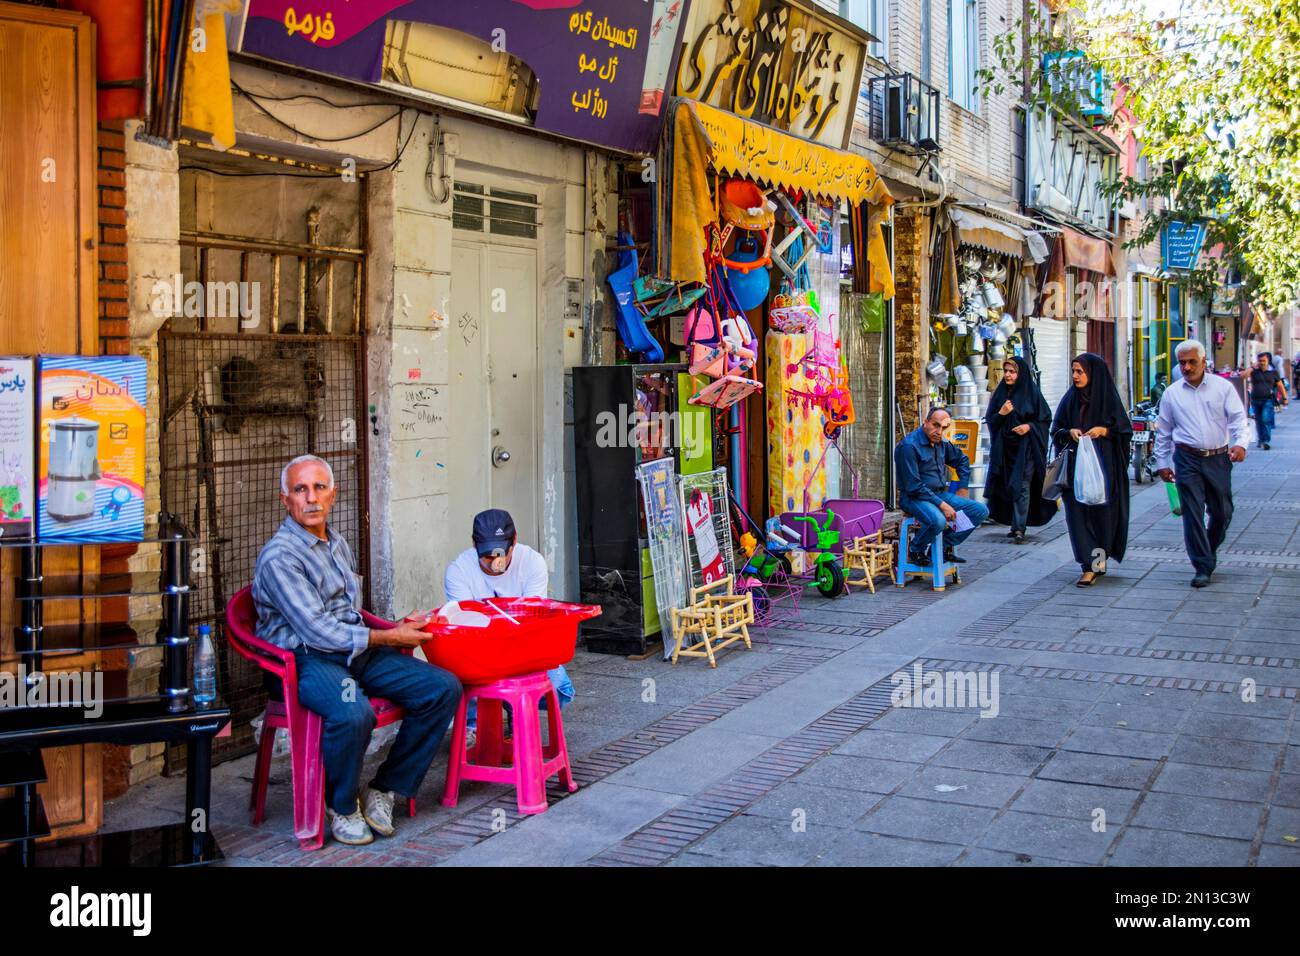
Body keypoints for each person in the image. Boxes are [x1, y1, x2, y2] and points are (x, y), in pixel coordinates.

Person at [253, 455, 462, 846]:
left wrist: (396, 625)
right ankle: (342, 805)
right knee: (353, 714)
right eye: (300, 490)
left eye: (319, 488)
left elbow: (349, 613)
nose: (311, 498)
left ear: (333, 494)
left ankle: (386, 787)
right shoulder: (280, 557)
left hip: (353, 649)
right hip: (304, 659)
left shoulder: (336, 543)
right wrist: (388, 637)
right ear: (286, 500)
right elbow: (316, 630)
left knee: (443, 688)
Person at [443, 509, 575, 740]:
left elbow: (531, 625)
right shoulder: (458, 571)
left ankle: (517, 714)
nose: (495, 563)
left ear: (514, 541)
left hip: (524, 649)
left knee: (556, 687)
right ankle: (473, 724)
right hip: (479, 653)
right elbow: (466, 630)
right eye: (487, 556)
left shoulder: (532, 562)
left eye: (500, 554)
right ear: (474, 545)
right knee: (462, 670)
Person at [1154, 340, 1251, 588]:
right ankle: (1202, 565)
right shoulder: (1171, 394)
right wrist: (1162, 463)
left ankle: (1207, 548)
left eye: (1191, 361)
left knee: (1222, 512)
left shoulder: (1223, 388)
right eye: (1182, 362)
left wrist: (1241, 444)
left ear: (1204, 361)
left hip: (1218, 458)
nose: (1186, 367)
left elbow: (1239, 420)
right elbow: (1163, 431)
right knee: (1192, 512)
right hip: (1186, 459)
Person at [1051, 353, 1133, 587]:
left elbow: (1124, 431)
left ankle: (1098, 562)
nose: (1075, 376)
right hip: (1075, 472)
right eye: (1073, 371)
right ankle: (1088, 567)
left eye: (1080, 372)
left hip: (1104, 472)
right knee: (1078, 518)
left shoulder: (1108, 400)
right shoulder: (1070, 400)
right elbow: (1056, 430)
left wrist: (1104, 432)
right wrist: (1070, 433)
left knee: (1101, 519)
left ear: (1093, 374)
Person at [893, 407, 989, 566]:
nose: (939, 431)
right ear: (926, 422)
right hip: (913, 497)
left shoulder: (942, 442)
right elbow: (914, 486)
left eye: (944, 427)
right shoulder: (908, 446)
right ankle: (916, 549)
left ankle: (942, 547)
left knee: (979, 511)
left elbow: (962, 461)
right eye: (935, 425)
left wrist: (963, 487)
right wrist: (943, 505)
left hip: (938, 494)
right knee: (937, 520)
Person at [984, 356, 1056, 544]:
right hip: (1005, 449)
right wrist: (1002, 413)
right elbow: (990, 421)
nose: (1007, 375)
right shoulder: (1000, 395)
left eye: (1012, 372)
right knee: (1008, 484)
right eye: (1006, 371)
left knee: (1022, 485)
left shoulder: (1031, 393)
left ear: (1020, 374)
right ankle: (1013, 523)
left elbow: (1044, 419)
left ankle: (1019, 528)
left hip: (1026, 449)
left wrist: (1029, 427)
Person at [1245, 352, 1284, 449]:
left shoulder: (1273, 372)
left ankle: (1266, 441)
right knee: (1259, 421)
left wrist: (1285, 397)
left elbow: (1280, 385)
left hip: (1268, 400)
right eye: (1260, 361)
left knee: (1265, 419)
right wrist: (1252, 367)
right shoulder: (1254, 371)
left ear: (1268, 361)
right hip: (1255, 399)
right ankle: (1261, 439)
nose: (1262, 363)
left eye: (1264, 360)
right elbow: (1243, 376)